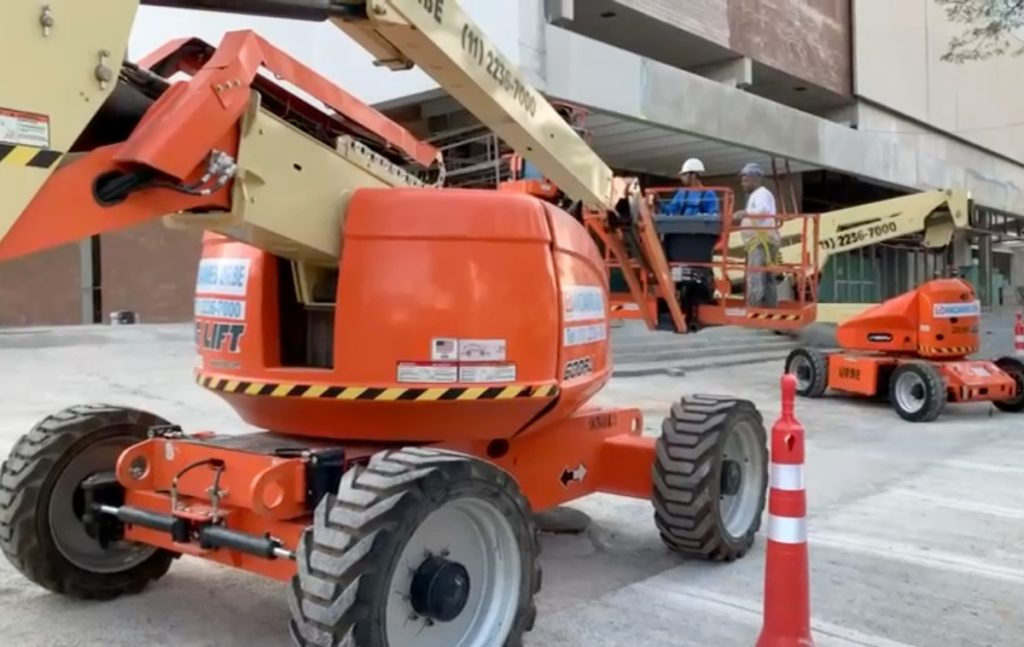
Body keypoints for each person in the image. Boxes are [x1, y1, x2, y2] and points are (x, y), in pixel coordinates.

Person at [733, 162, 780, 307]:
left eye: (745, 180)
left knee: (756, 275)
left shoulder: (762, 194)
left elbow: (763, 211)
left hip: (760, 242)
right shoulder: (758, 195)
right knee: (766, 277)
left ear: (756, 179)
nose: (742, 184)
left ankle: (754, 308)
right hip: (761, 241)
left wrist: (744, 213)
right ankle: (769, 307)